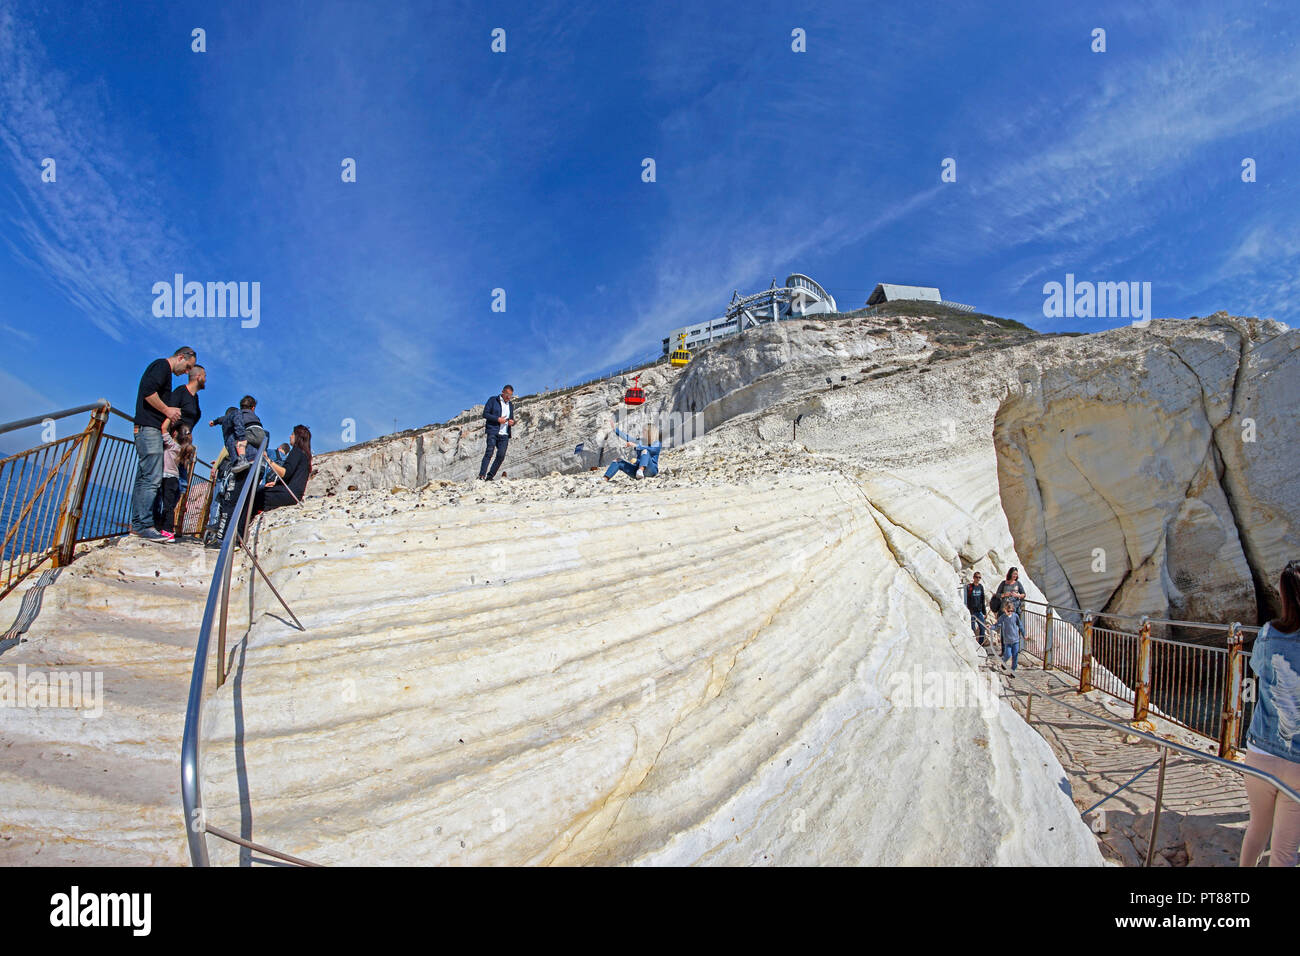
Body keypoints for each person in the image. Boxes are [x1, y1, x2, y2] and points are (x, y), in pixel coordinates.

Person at [1240, 560, 1300, 867]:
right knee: (1285, 850)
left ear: (1284, 595)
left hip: (1261, 750)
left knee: (1256, 830)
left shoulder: (1267, 633)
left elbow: (1258, 671)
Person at [130, 346, 196, 540]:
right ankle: (143, 525)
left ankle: (138, 524)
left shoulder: (163, 370)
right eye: (187, 367)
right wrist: (167, 410)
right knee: (151, 479)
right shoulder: (161, 367)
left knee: (144, 478)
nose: (186, 372)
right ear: (181, 357)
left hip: (148, 428)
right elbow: (148, 392)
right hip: (148, 428)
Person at [250, 424, 312, 521]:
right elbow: (293, 476)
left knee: (253, 496)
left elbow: (285, 473)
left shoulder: (296, 451)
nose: (290, 436)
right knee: (259, 493)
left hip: (288, 495)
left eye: (292, 434)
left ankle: (242, 530)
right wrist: (276, 483)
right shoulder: (305, 456)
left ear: (298, 437)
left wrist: (267, 459)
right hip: (295, 495)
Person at [155, 423, 196, 541]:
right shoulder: (183, 450)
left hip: (165, 477)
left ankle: (167, 531)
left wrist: (170, 417)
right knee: (169, 506)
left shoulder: (172, 445)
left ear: (175, 434)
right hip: (174, 479)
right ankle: (164, 528)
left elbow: (163, 428)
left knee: (165, 505)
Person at [209, 395, 265, 474]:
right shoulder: (255, 416)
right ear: (253, 408)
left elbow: (224, 418)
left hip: (250, 434)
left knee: (236, 438)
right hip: (262, 437)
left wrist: (214, 422)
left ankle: (240, 461)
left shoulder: (239, 413)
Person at [479, 385, 515, 481]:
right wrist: (498, 419)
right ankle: (481, 475)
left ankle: (490, 476)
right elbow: (485, 414)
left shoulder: (510, 405)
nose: (508, 397)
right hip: (493, 430)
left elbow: (511, 418)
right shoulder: (493, 400)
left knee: (501, 455)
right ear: (502, 392)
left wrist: (512, 422)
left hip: (505, 434)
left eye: (510, 395)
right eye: (507, 394)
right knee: (489, 453)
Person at [167, 365, 205, 433]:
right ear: (198, 377)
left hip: (184, 440)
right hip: (172, 438)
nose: (205, 380)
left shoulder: (195, 398)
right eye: (204, 376)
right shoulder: (181, 391)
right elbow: (169, 413)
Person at [996, 567, 1027, 633]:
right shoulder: (1004, 583)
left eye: (1016, 574)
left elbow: (1024, 594)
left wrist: (1017, 595)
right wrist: (1004, 595)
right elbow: (997, 594)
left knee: (1013, 626)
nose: (1015, 576)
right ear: (1010, 574)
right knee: (1004, 626)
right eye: (1014, 574)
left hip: (1014, 608)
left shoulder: (1018, 583)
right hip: (1004, 607)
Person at [997, 603, 1023, 672]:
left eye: (1012, 611)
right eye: (1008, 611)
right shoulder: (1003, 617)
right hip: (1007, 641)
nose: (1010, 612)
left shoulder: (1015, 616)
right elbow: (997, 625)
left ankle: (1013, 671)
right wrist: (991, 627)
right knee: (1008, 655)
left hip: (1015, 640)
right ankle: (1003, 662)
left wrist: (1024, 634)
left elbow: (1020, 625)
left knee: (1015, 656)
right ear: (1005, 610)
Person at [965, 571, 989, 645]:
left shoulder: (980, 587)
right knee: (972, 628)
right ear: (973, 577)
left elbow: (982, 599)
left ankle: (980, 644)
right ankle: (973, 644)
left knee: (982, 628)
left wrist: (984, 612)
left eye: (979, 577)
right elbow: (967, 599)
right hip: (972, 611)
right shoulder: (970, 587)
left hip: (979, 611)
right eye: (976, 577)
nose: (978, 579)